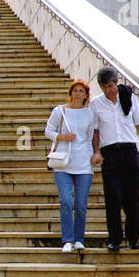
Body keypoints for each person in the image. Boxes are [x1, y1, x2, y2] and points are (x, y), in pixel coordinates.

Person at [90, 66, 139, 251]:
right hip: (109, 152)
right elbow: (95, 130)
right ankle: (115, 238)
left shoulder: (129, 97)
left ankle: (133, 237)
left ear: (116, 83)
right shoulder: (96, 104)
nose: (108, 90)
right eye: (104, 87)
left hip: (128, 150)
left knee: (131, 197)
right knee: (112, 198)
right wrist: (96, 151)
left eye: (111, 85)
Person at [46, 80, 98, 253]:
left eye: (81, 91)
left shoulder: (90, 114)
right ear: (70, 93)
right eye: (75, 90)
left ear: (85, 95)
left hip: (83, 164)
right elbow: (48, 131)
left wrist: (94, 154)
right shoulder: (60, 111)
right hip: (63, 163)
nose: (77, 94)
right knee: (66, 201)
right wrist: (62, 137)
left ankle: (79, 239)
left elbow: (90, 136)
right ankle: (67, 239)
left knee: (81, 204)